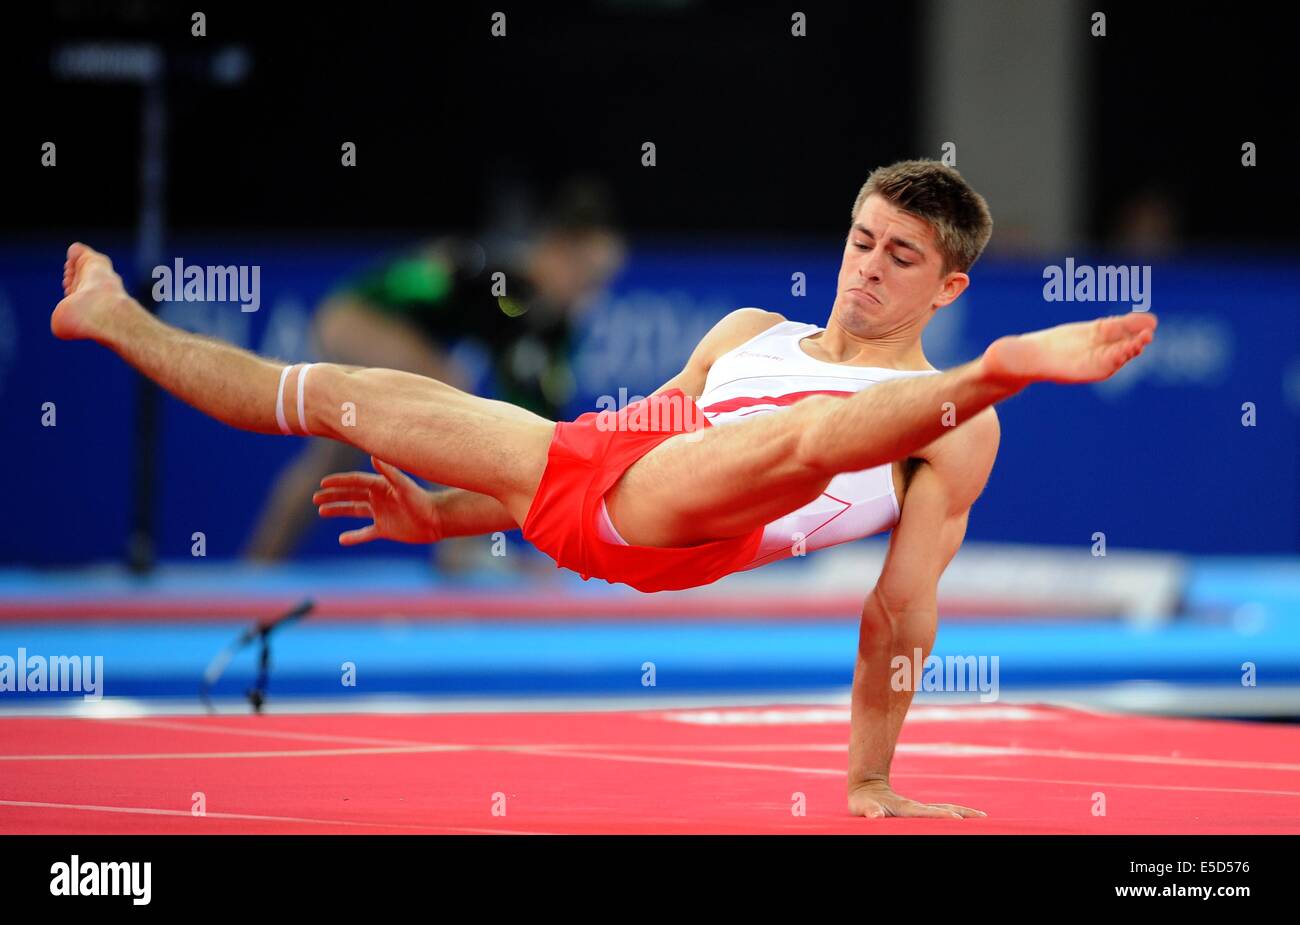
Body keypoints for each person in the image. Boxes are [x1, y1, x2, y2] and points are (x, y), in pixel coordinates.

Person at [51, 160, 1156, 820]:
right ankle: (113, 320)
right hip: (601, 484)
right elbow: (613, 440)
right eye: (861, 240)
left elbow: (899, 607)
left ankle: (997, 361)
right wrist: (453, 509)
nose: (866, 267)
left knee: (802, 441)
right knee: (341, 392)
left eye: (900, 258)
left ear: (949, 285)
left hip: (689, 525)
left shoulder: (956, 437)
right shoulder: (747, 334)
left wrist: (868, 779)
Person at [243, 178, 625, 563]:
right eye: (587, 276)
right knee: (450, 386)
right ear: (556, 250)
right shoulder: (494, 274)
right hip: (355, 316)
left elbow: (542, 422)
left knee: (332, 460)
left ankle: (259, 564)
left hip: (376, 330)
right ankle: (456, 551)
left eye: (601, 283)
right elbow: (414, 277)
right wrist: (440, 270)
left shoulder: (552, 327)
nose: (590, 295)